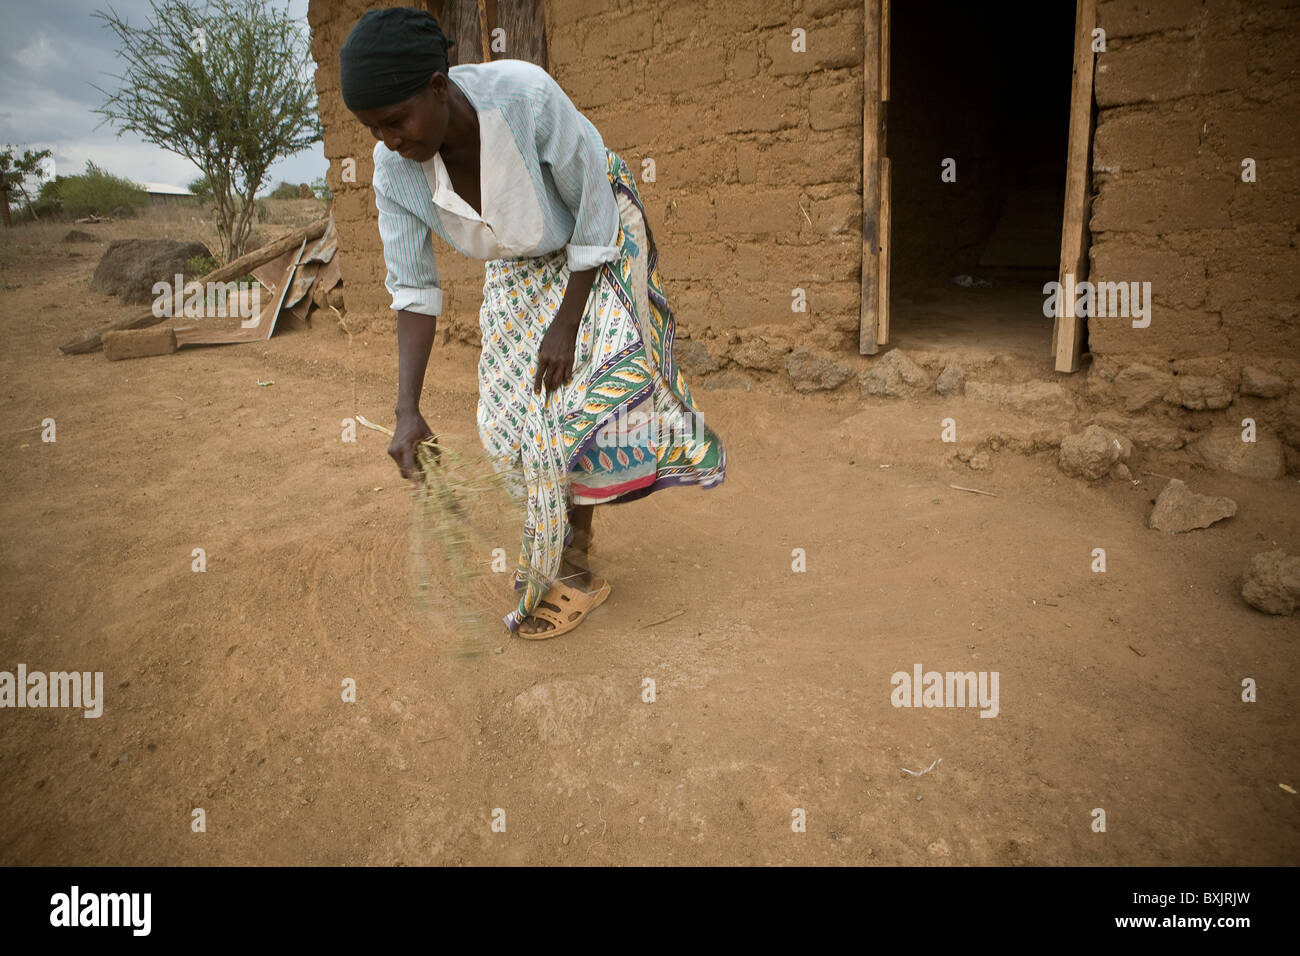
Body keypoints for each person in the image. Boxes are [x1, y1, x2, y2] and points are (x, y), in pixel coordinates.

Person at [339, 7, 725, 639]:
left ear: (438, 86)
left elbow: (594, 202)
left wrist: (566, 325)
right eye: (371, 129)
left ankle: (567, 564)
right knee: (504, 421)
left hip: (596, 236)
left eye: (396, 120)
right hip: (521, 263)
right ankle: (563, 540)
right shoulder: (395, 173)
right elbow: (413, 289)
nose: (388, 140)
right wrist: (406, 407)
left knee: (563, 408)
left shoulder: (525, 98)